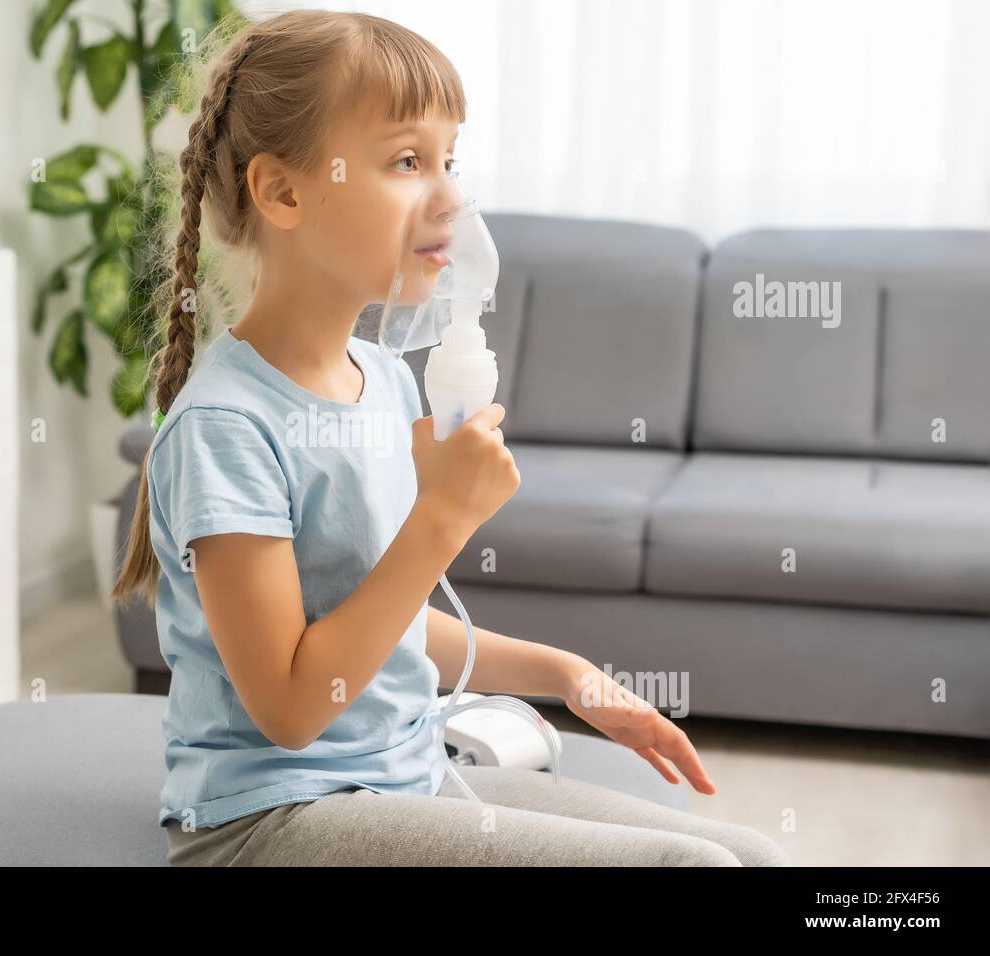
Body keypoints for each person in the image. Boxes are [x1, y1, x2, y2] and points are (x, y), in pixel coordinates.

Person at [112, 8, 788, 867]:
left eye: (449, 162)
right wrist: (440, 519)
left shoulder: (386, 380)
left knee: (754, 857)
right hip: (268, 820)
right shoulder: (227, 427)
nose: (452, 199)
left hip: (405, 775)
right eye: (406, 162)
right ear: (282, 191)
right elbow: (290, 705)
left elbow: (382, 625)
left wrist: (567, 674)